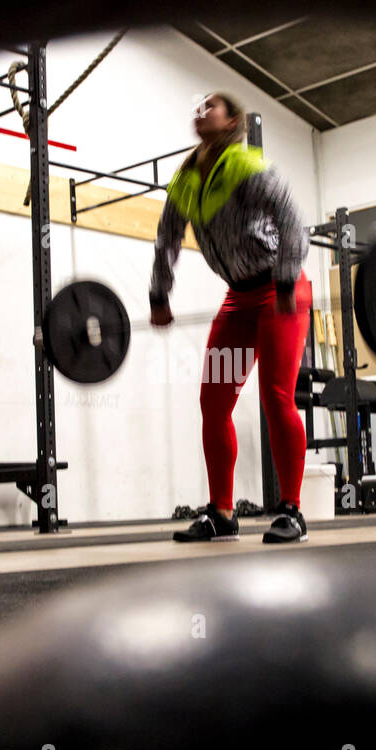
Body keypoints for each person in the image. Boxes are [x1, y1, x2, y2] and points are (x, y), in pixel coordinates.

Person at [151, 92, 312, 544]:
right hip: (239, 300)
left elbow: (292, 222)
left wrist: (283, 282)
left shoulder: (249, 167)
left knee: (276, 395)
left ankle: (292, 510)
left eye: (211, 106)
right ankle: (222, 513)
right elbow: (167, 239)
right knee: (214, 402)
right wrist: (159, 292)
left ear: (232, 121)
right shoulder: (185, 180)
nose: (200, 110)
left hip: (281, 291)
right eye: (196, 105)